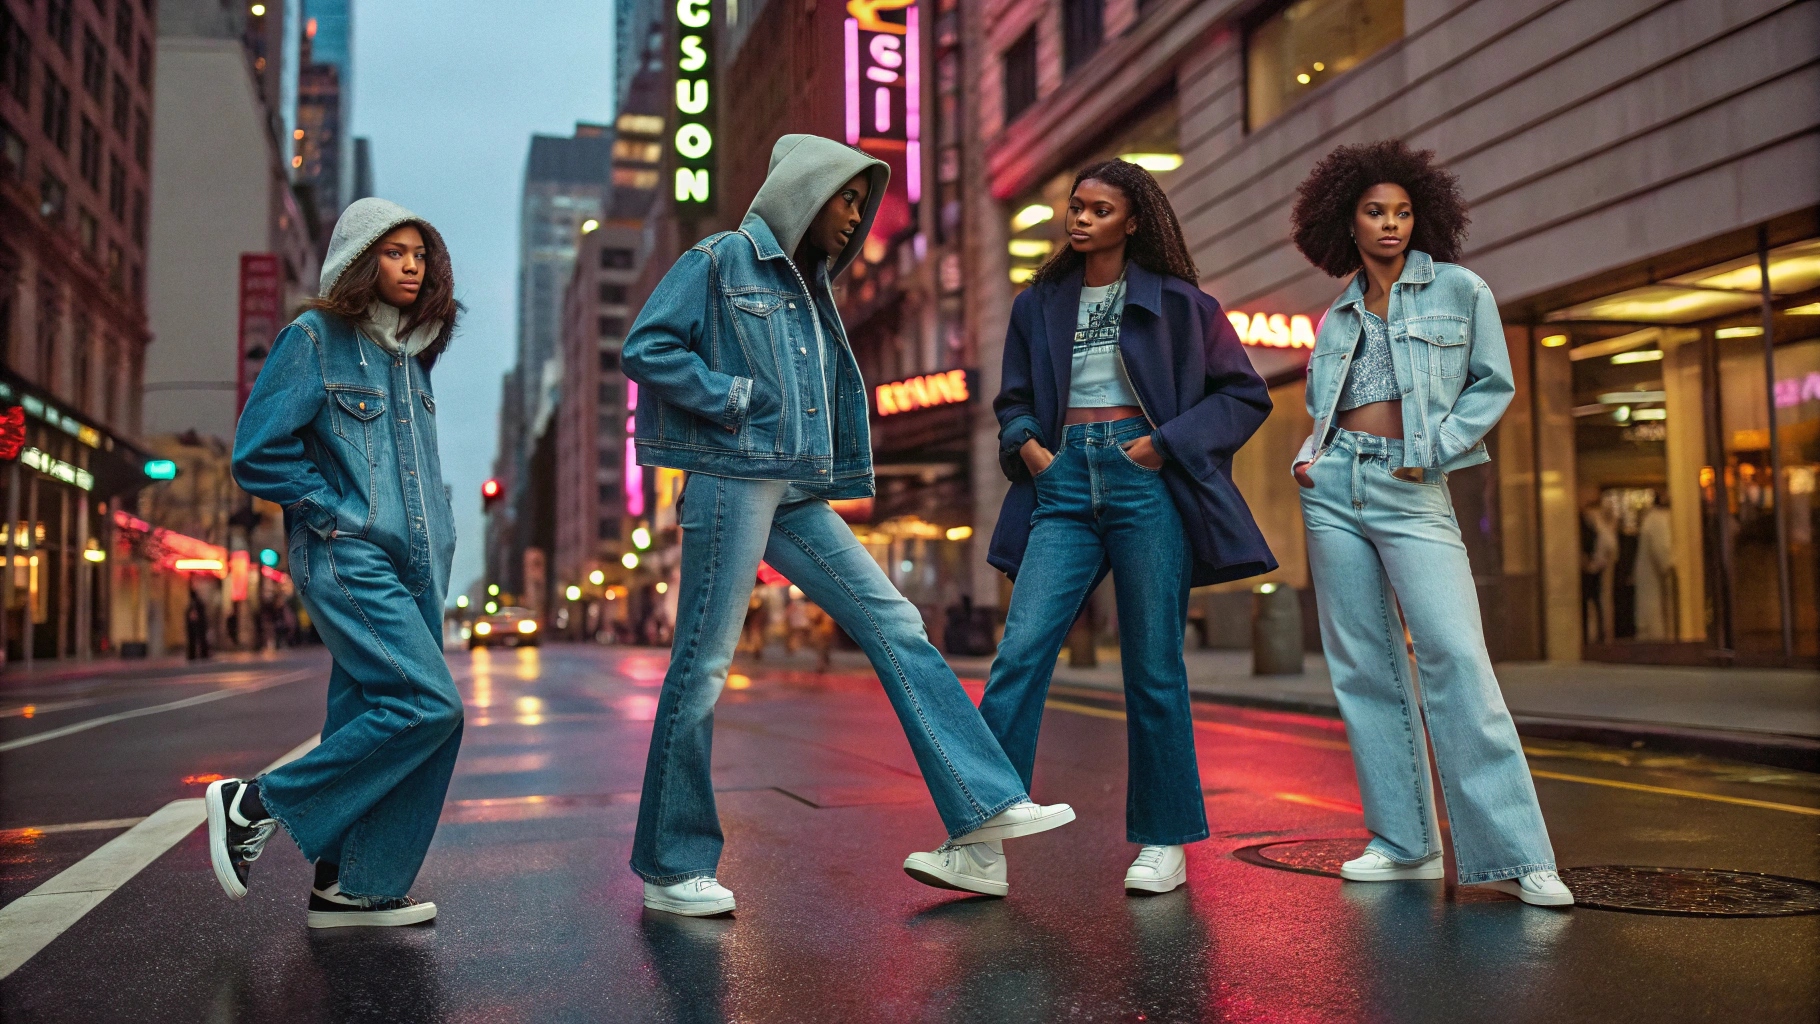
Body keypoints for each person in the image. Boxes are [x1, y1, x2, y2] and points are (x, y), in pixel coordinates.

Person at [623, 135, 1073, 916]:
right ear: (807, 190)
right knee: (702, 667)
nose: (858, 216)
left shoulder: (810, 287)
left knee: (897, 621)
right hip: (733, 477)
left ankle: (982, 803)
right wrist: (730, 398)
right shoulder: (721, 259)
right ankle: (672, 865)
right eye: (849, 198)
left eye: (864, 203)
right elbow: (646, 346)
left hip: (794, 486)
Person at [907, 159, 1276, 898]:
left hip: (1146, 478)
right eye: (1075, 207)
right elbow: (1011, 399)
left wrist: (1162, 444)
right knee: (1021, 651)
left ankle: (1164, 841)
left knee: (1153, 666)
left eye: (1098, 210)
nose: (1079, 219)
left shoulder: (1183, 306)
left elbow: (1243, 395)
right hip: (1064, 480)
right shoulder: (1037, 304)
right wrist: (1031, 448)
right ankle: (982, 842)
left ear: (1132, 220)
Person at [1288, 140, 1571, 906]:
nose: (1391, 225)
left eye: (1403, 212)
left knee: (1454, 656)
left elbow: (1492, 384)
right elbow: (1328, 406)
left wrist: (1436, 449)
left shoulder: (1459, 290)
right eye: (1376, 212)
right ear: (1346, 220)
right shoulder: (1339, 311)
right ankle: (1403, 841)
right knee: (1363, 670)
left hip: (1412, 486)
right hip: (1335, 484)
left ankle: (1516, 852)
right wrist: (1309, 461)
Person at [204, 198, 463, 928]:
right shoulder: (314, 337)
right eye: (394, 252)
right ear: (359, 259)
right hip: (350, 558)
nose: (412, 265)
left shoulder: (415, 353)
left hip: (417, 568)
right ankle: (253, 802)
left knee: (380, 712)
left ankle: (352, 884)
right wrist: (334, 515)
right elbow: (257, 451)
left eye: (420, 254)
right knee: (430, 706)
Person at [184, 587, 210, 661]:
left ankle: (194, 654)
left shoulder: (193, 605)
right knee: (200, 639)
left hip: (196, 625)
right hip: (199, 625)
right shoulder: (198, 604)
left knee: (195, 640)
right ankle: (202, 654)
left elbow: (192, 616)